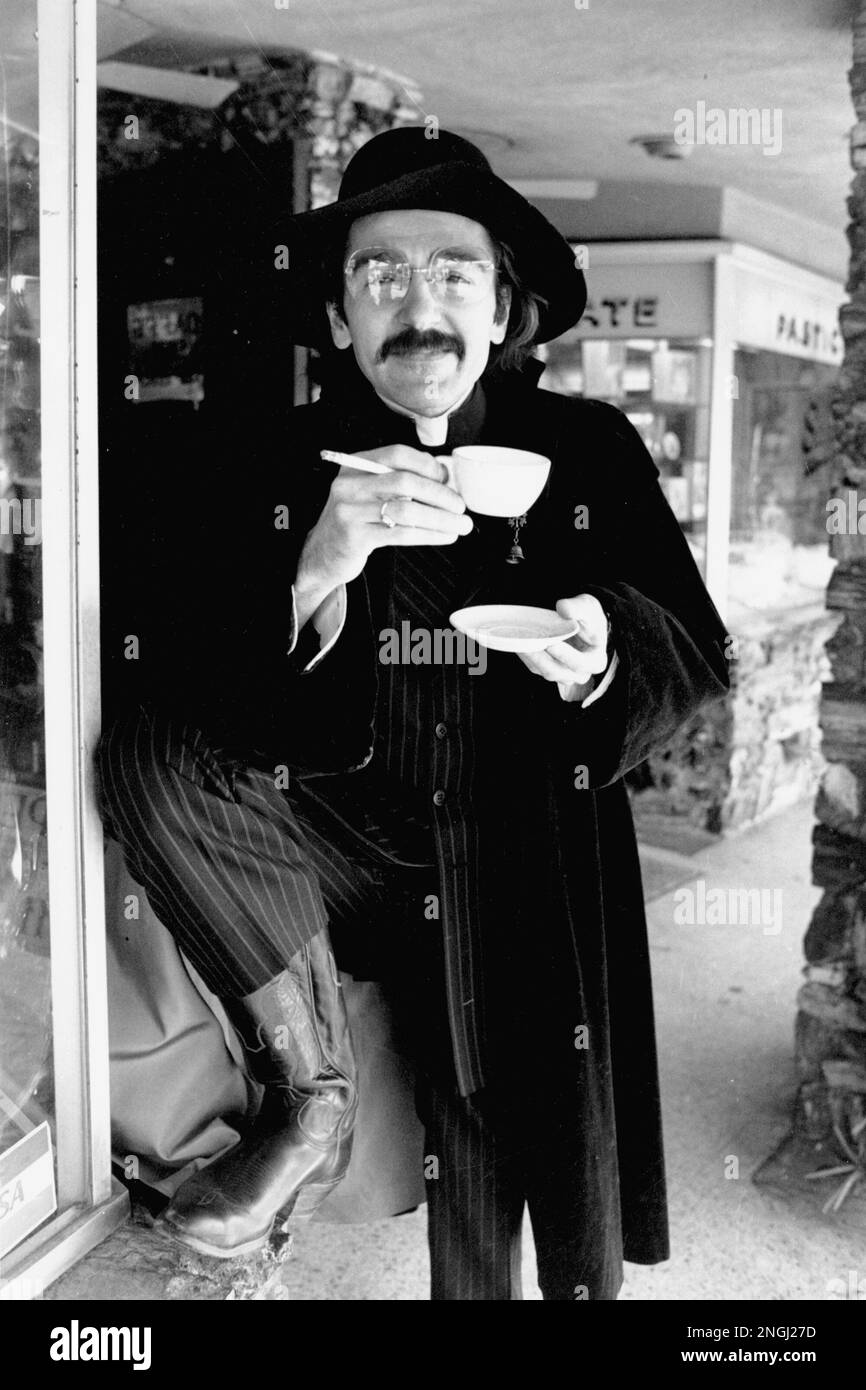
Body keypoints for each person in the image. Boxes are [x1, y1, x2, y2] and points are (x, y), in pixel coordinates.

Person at [96, 127, 730, 1299]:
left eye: (450, 271)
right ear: (339, 318)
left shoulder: (586, 451)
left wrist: (601, 649)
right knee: (143, 752)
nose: (416, 301)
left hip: (526, 845)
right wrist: (311, 566)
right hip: (345, 850)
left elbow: (696, 653)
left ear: (502, 307)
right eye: (379, 272)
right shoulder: (273, 460)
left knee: (523, 1129)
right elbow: (179, 690)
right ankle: (310, 1102)